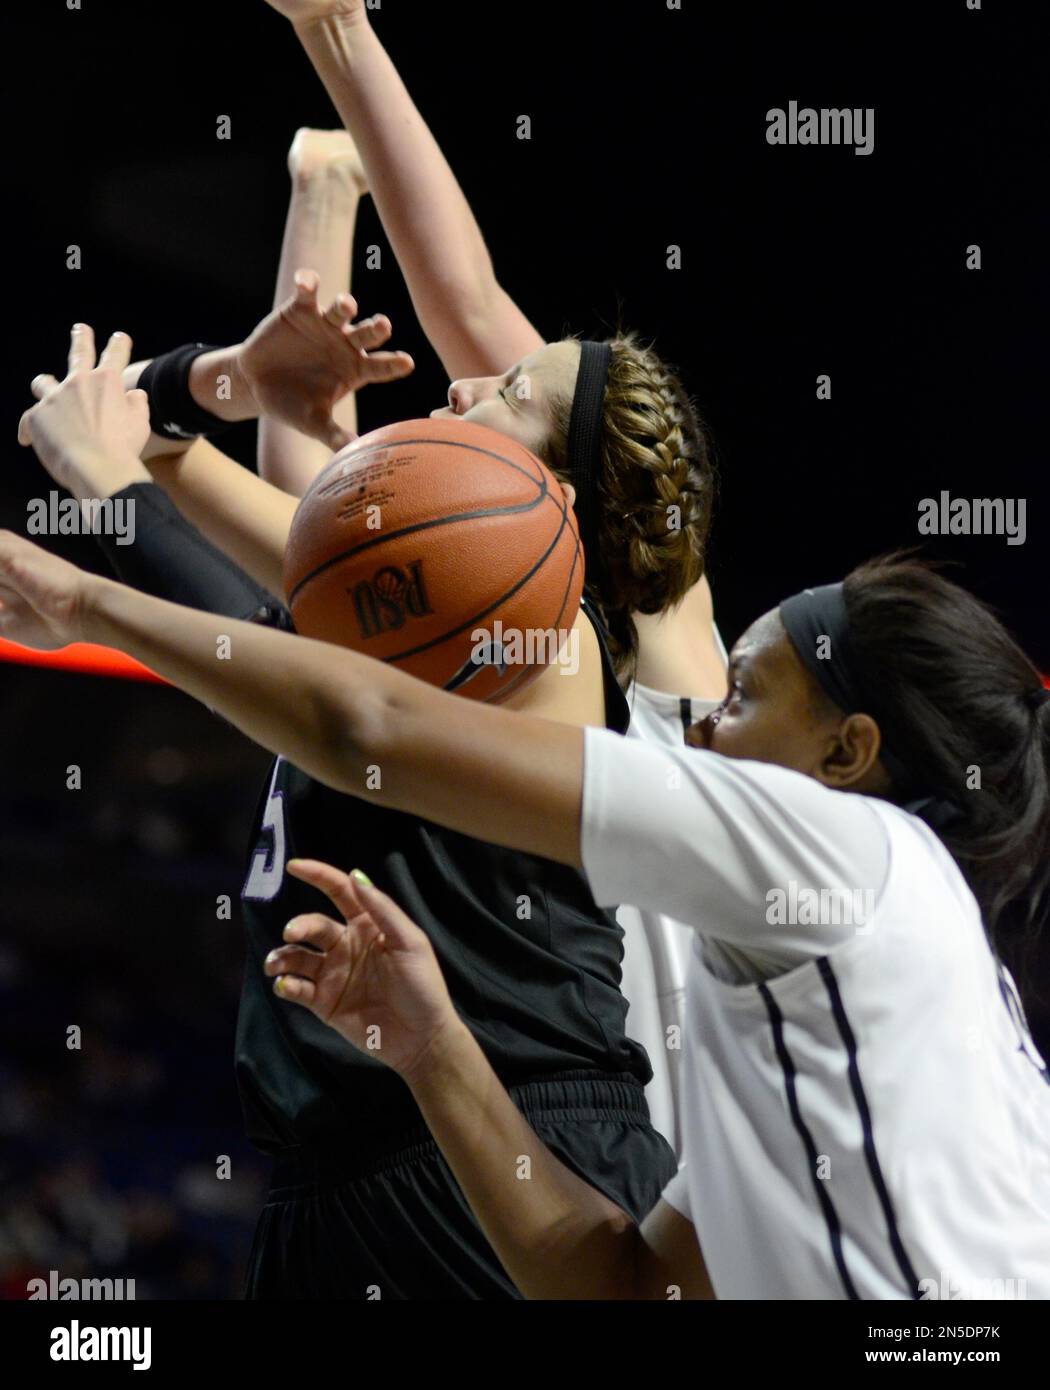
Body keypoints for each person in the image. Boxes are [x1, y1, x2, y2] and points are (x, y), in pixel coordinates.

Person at [5, 338, 1050, 1299]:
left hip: (517, 1130)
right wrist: (432, 1050)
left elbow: (346, 707)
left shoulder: (839, 846)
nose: (685, 730)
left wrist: (94, 574)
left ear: (849, 751)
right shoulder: (850, 1004)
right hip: (390, 1154)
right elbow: (625, 1290)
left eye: (734, 699)